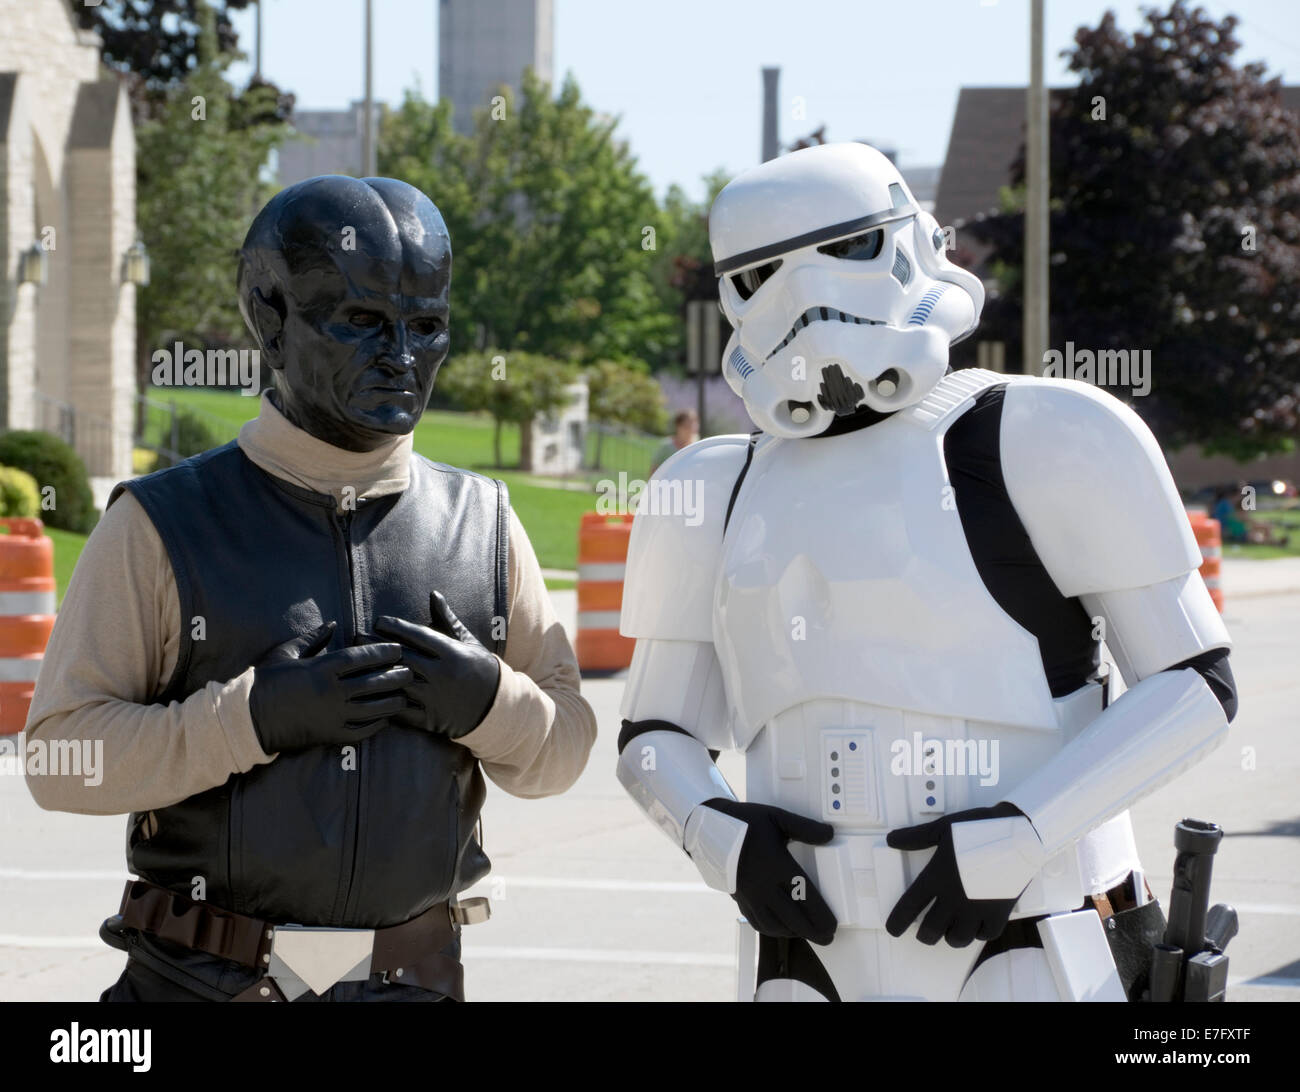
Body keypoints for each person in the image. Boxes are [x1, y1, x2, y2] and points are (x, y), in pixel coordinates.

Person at [614, 143, 1237, 1001]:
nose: (807, 297)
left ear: (912, 240)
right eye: (765, 275)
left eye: (846, 248)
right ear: (729, 294)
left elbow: (1194, 684)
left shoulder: (1048, 434)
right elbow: (652, 735)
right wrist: (721, 839)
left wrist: (1020, 837)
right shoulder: (710, 487)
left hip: (1034, 943)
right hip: (804, 959)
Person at [24, 175, 597, 1002]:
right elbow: (57, 759)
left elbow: (566, 747)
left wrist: (487, 705)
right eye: (362, 321)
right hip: (195, 984)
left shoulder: (485, 523)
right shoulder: (161, 523)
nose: (401, 357)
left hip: (416, 984)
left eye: (426, 326)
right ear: (269, 316)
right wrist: (246, 721)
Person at [649, 410, 699, 474]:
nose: (691, 428)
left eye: (693, 425)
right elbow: (654, 471)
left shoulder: (699, 445)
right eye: (687, 426)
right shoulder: (666, 447)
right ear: (678, 426)